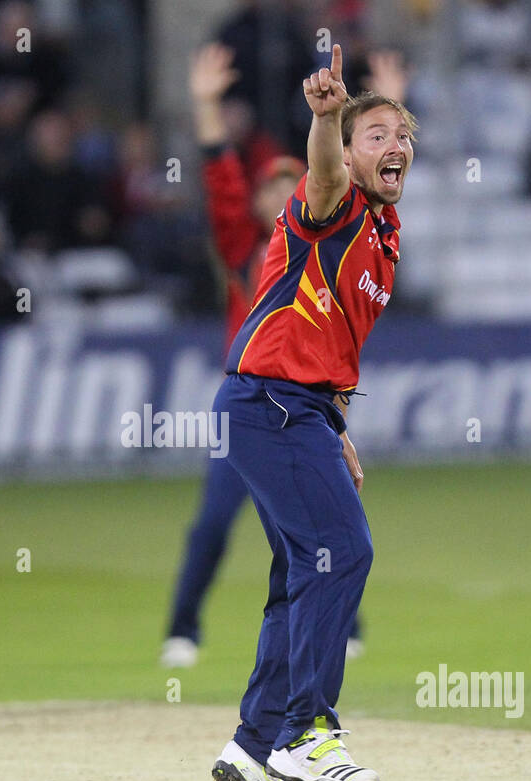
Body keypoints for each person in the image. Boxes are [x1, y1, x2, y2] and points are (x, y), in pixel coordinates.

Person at [210, 45, 414, 781]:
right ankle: (307, 731)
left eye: (401, 136)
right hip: (269, 404)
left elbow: (337, 346)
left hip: (299, 410)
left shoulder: (385, 235)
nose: (393, 147)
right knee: (345, 551)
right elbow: (325, 171)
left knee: (299, 575)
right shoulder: (328, 207)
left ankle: (252, 747)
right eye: (377, 136)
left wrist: (339, 426)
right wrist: (328, 120)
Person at [160, 43, 366, 669]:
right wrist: (205, 105)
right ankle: (183, 630)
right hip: (251, 404)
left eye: (290, 182)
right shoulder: (243, 246)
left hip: (300, 403)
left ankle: (345, 626)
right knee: (216, 524)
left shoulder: (324, 245)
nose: (282, 191)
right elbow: (221, 176)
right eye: (271, 185)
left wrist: (367, 111)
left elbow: (341, 175)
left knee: (313, 527)